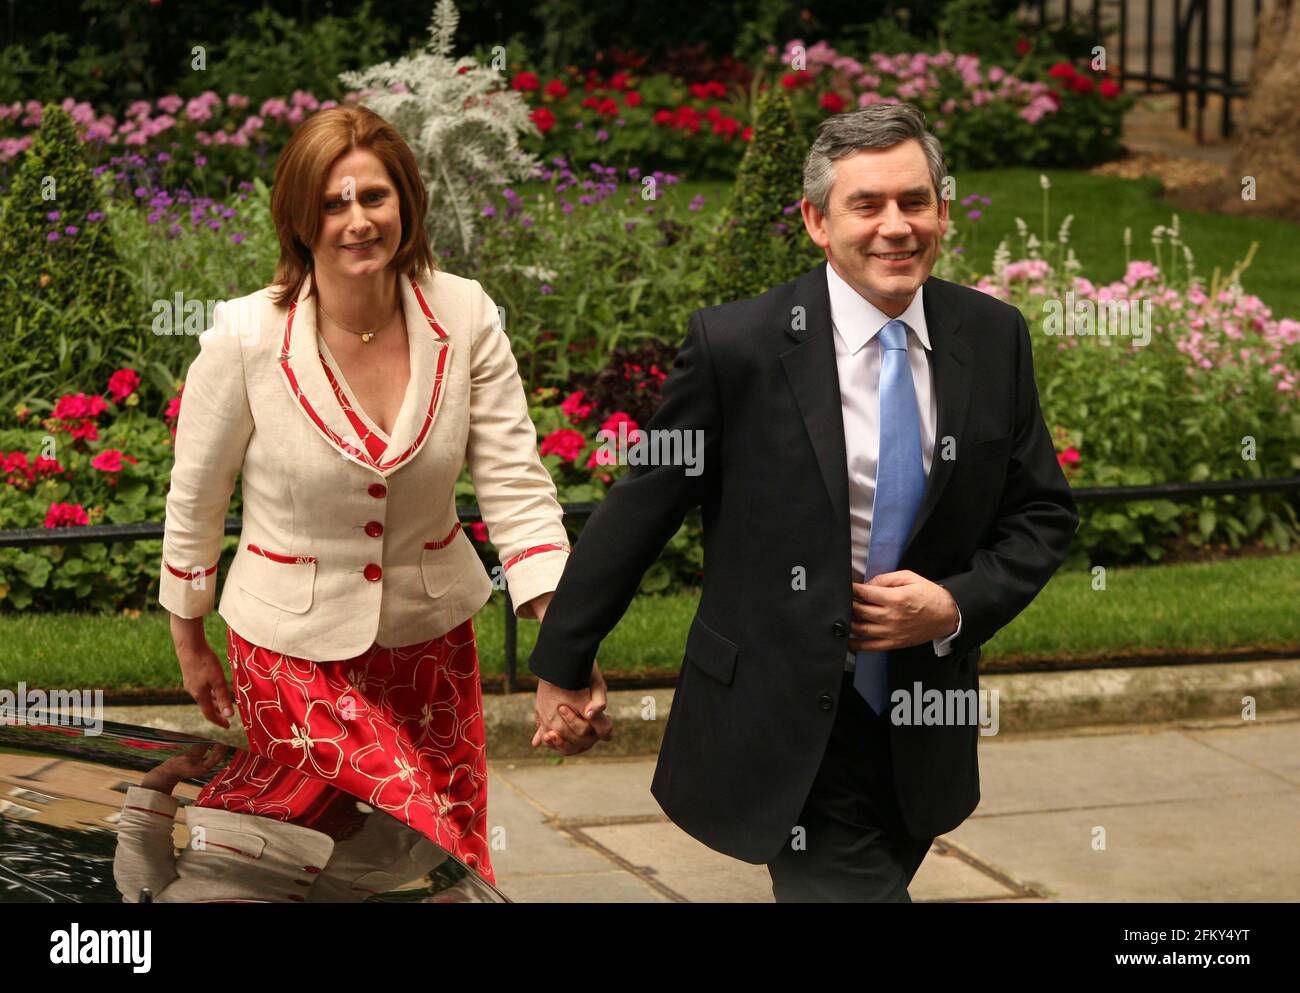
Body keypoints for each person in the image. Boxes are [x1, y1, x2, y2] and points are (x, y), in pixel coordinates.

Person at [528, 103, 1079, 901]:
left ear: (943, 208)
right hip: (783, 719)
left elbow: (1042, 513)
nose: (897, 226)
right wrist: (564, 664)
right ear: (817, 221)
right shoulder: (740, 346)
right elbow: (645, 504)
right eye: (868, 205)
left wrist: (953, 604)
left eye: (915, 201)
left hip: (920, 726)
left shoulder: (992, 336)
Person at [159, 105, 610, 887]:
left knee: (434, 856)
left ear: (406, 202)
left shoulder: (466, 314)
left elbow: (515, 484)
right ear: (301, 218)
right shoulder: (243, 337)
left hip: (430, 650)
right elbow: (196, 496)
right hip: (291, 652)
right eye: (334, 203)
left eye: (375, 197)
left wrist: (565, 646)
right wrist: (189, 634)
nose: (358, 220)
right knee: (390, 834)